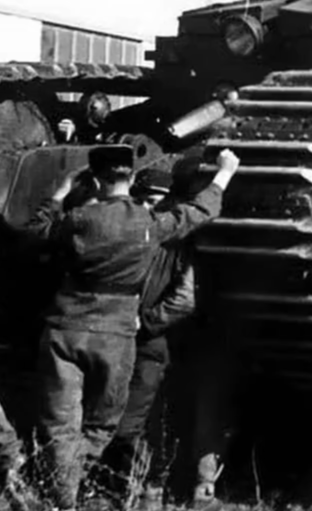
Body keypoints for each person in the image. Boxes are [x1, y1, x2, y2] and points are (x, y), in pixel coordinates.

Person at [24, 144, 239, 511]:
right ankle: (69, 486)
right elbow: (202, 210)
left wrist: (60, 193)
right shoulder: (149, 224)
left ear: (94, 179)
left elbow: (34, 232)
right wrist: (225, 173)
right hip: (117, 332)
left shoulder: (78, 219)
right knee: (104, 425)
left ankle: (61, 494)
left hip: (65, 325)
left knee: (60, 423)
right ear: (132, 176)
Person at [100, 162, 201, 509]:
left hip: (149, 341)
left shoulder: (177, 244)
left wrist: (148, 321)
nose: (149, 207)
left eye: (157, 200)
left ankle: (142, 493)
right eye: (142, 200)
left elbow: (185, 299)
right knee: (110, 417)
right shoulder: (125, 235)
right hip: (115, 335)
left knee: (134, 423)